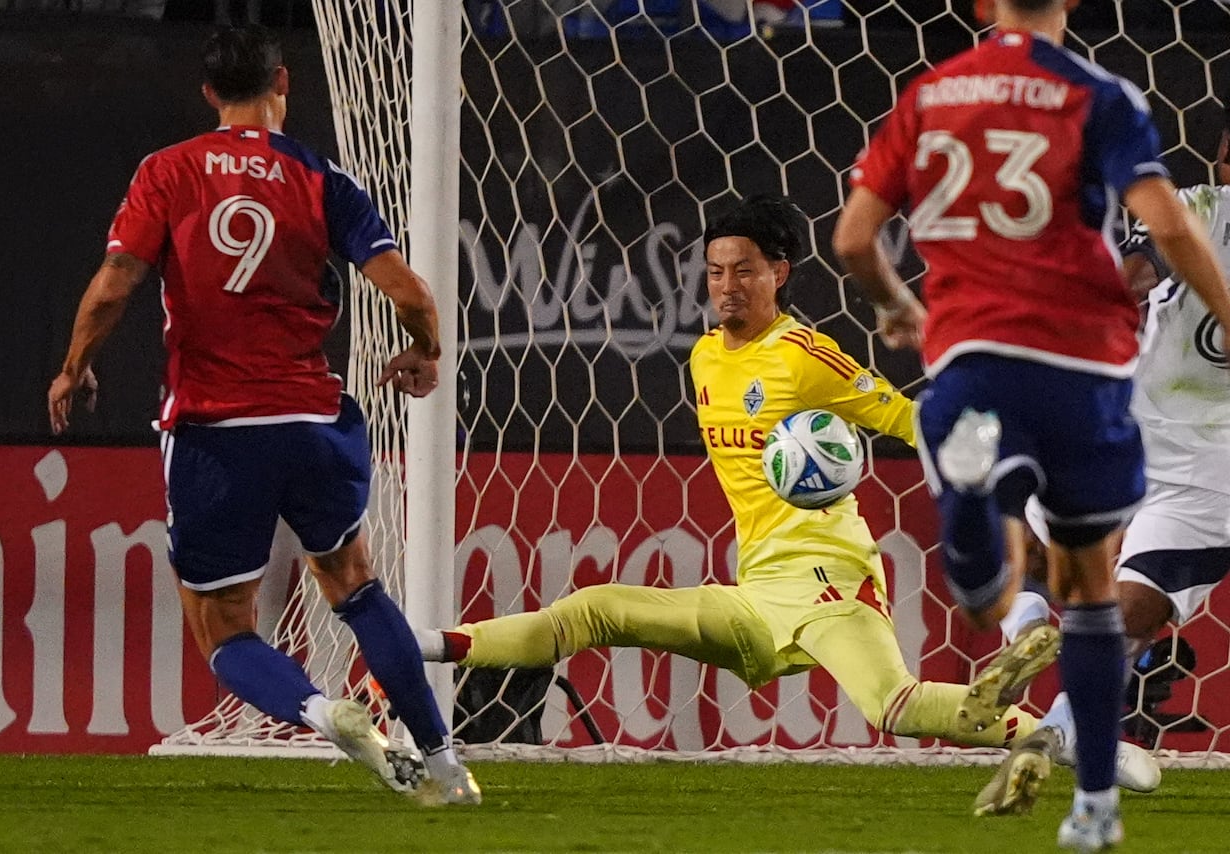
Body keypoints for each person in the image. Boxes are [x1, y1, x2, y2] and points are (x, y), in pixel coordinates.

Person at [416, 193, 1084, 756]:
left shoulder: (806, 357)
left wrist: (997, 442)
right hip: (758, 591)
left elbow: (909, 421)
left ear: (779, 273)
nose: (727, 286)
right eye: (714, 272)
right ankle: (422, 646)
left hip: (831, 579)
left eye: (743, 271)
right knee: (593, 609)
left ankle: (1062, 737)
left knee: (894, 704)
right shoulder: (705, 357)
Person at [831, 0, 1230, 848]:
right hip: (1088, 376)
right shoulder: (1100, 93)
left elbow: (856, 238)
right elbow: (1163, 221)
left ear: (982, 7)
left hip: (973, 357)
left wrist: (897, 308)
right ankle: (1093, 812)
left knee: (991, 594)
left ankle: (979, 509)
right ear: (1072, 5)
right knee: (1093, 592)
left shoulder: (933, 93)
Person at [46, 26, 479, 806]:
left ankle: (321, 712)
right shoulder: (320, 176)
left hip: (216, 431)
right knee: (354, 585)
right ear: (284, 81)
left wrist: (75, 366)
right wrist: (426, 352)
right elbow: (411, 293)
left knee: (224, 627)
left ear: (209, 92)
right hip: (315, 421)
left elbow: (116, 283)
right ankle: (445, 764)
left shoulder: (168, 171)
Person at [979, 115, 1230, 817]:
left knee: (1050, 556)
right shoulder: (1201, 211)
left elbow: (1131, 274)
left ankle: (1039, 666)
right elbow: (1138, 268)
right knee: (1133, 613)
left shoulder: (1194, 208)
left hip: (1136, 432)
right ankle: (1058, 711)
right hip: (1205, 466)